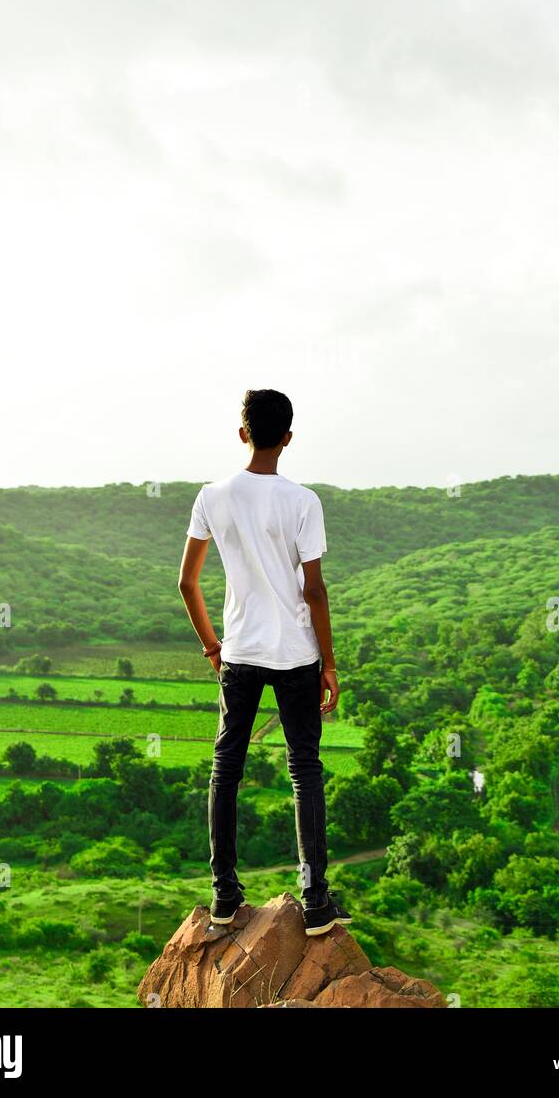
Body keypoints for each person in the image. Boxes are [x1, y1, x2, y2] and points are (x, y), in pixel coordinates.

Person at [177, 387, 351, 937]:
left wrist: (213, 646)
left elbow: (187, 582)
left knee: (226, 767)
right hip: (297, 654)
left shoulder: (212, 496)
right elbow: (315, 590)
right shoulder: (304, 502)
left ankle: (224, 897)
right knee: (304, 769)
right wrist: (328, 662)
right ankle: (316, 901)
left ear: (243, 432)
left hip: (242, 654)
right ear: (289, 438)